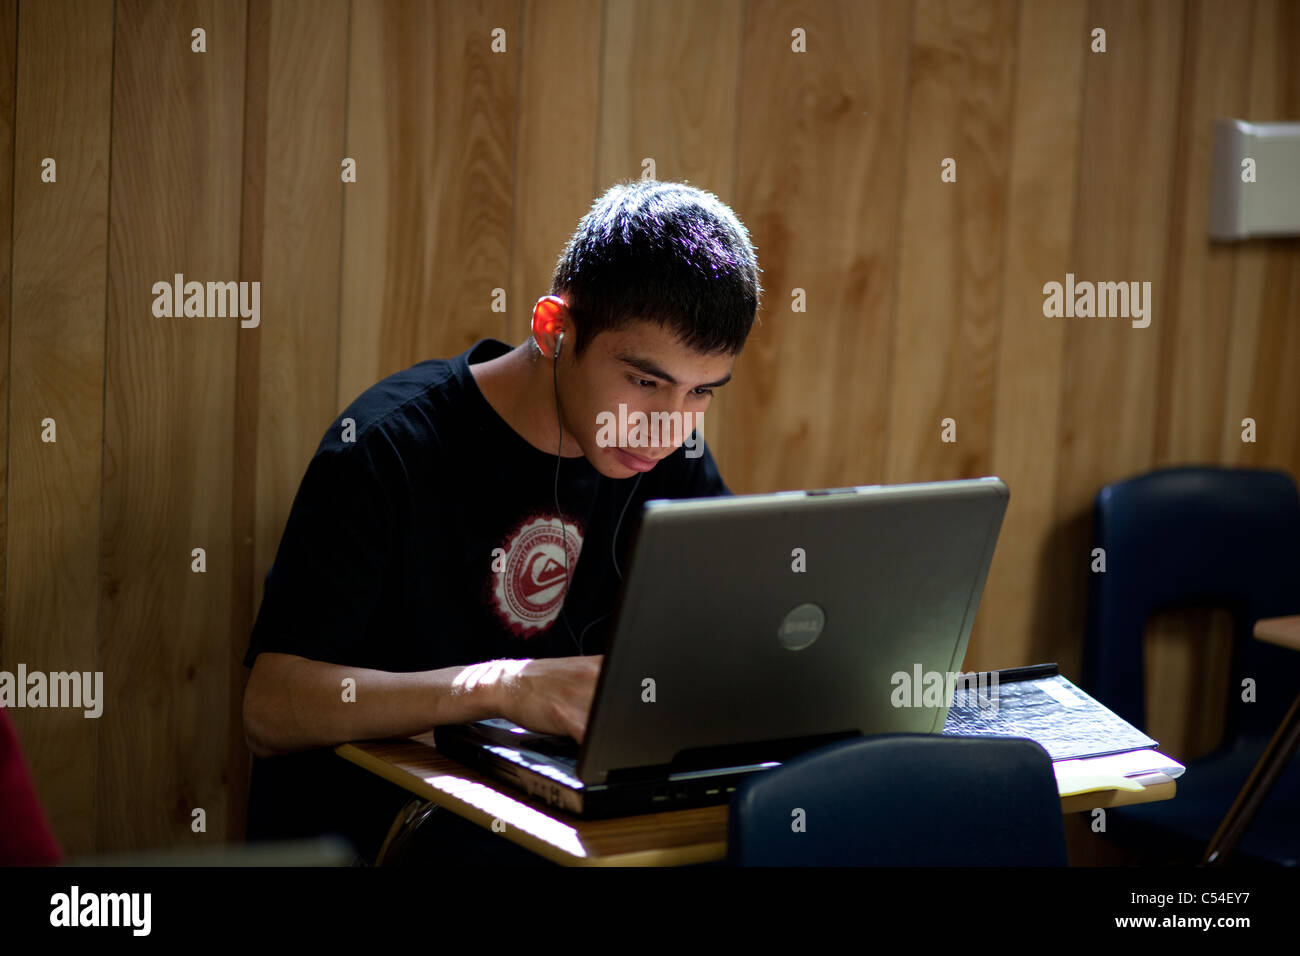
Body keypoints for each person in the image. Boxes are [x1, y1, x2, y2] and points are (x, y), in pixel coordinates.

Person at [240, 178, 762, 863]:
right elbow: (268, 710)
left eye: (701, 394)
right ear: (553, 329)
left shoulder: (664, 454)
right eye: (644, 381)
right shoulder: (386, 447)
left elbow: (735, 628)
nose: (669, 427)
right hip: (396, 837)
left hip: (568, 831)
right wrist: (504, 687)